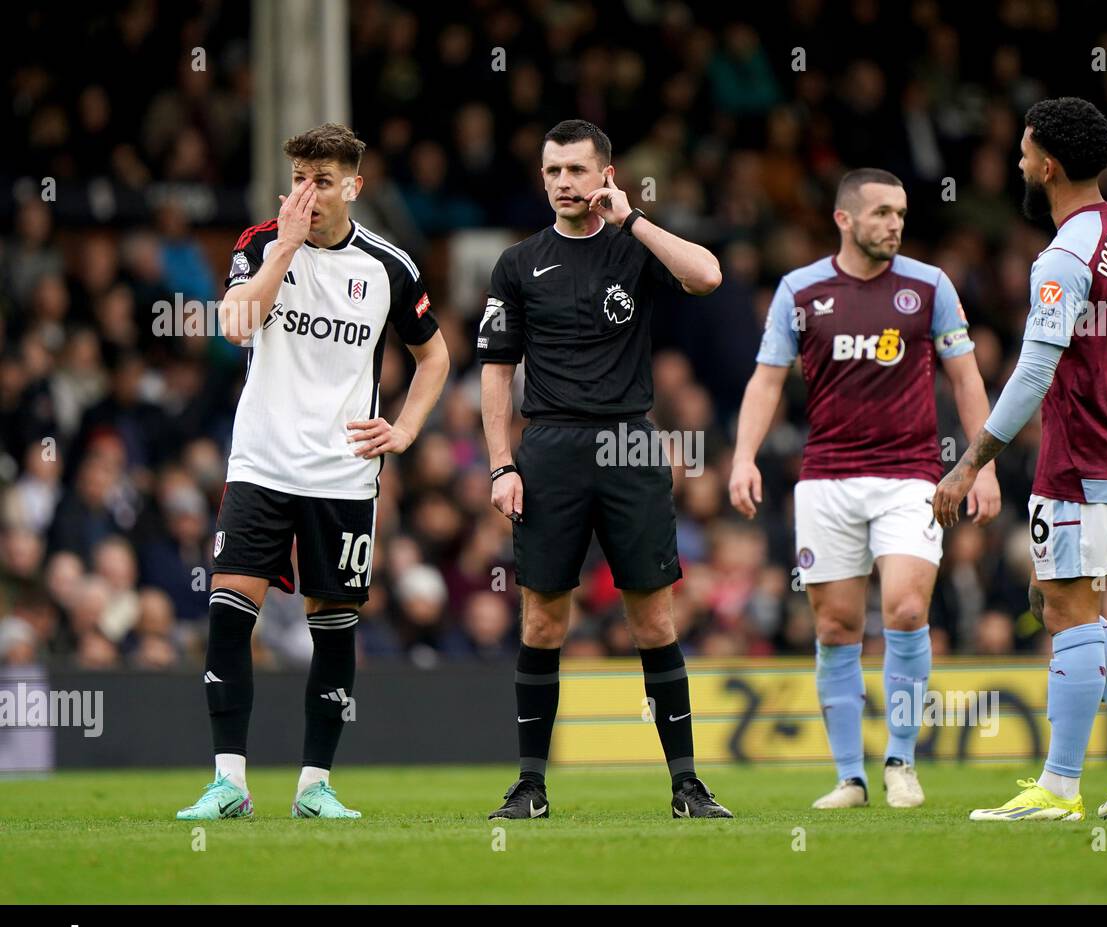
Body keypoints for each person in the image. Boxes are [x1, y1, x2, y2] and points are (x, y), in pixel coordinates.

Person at [176, 123, 450, 821]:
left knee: (334, 625)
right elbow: (235, 325)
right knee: (230, 610)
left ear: (354, 187)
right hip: (261, 462)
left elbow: (435, 357)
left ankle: (314, 785)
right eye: (300, 178)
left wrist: (407, 428)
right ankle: (229, 781)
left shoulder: (390, 266)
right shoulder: (259, 243)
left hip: (342, 473)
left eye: (323, 181)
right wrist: (286, 248)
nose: (308, 194)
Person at [934, 97, 1107, 821]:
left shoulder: (1065, 254)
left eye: (1022, 152)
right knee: (1068, 603)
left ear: (1047, 165)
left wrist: (971, 461)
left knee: (1068, 612)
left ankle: (1059, 786)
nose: (1016, 162)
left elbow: (1035, 369)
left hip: (1081, 455)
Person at [478, 119, 730, 819]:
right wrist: (502, 464)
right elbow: (496, 374)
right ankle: (530, 784)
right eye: (553, 171)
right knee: (542, 622)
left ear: (606, 176)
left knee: (653, 619)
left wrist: (637, 220)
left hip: (630, 442)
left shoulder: (633, 246)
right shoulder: (518, 263)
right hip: (551, 446)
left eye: (577, 171)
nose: (563, 183)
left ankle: (686, 784)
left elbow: (707, 274)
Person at [729, 168, 1001, 809]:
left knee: (906, 610)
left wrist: (982, 464)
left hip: (910, 475)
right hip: (826, 479)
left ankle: (901, 760)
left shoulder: (930, 287)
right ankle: (849, 777)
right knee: (837, 625)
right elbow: (767, 381)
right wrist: (743, 458)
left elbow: (965, 380)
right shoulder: (800, 290)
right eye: (881, 212)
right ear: (844, 220)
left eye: (901, 213)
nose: (894, 224)